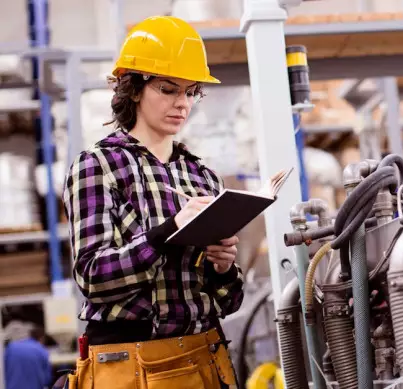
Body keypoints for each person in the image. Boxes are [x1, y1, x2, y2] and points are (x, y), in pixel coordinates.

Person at [60, 15, 244, 389]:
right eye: (168, 89)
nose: (182, 103)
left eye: (190, 91)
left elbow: (227, 302)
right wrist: (168, 232)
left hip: (206, 356)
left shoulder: (202, 177)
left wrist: (223, 269)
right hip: (130, 364)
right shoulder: (98, 167)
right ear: (133, 89)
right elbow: (93, 278)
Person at [4, 325, 51, 389]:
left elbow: (4, 369)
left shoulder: (12, 347)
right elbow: (47, 379)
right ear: (42, 338)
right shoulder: (41, 350)